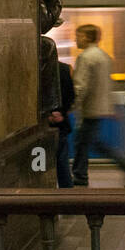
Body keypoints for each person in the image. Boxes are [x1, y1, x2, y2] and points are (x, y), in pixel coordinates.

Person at [71, 24, 125, 186]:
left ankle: (81, 176)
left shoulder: (85, 57)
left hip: (88, 108)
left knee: (84, 143)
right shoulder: (103, 56)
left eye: (78, 36)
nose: (75, 39)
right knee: (89, 142)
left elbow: (81, 85)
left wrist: (73, 104)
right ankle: (81, 174)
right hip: (99, 107)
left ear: (87, 37)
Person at [49, 60, 75, 188]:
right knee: (62, 162)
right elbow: (71, 96)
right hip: (61, 124)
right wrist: (61, 113)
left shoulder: (34, 69)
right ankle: (68, 193)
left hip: (42, 126)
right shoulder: (65, 69)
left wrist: (48, 115)